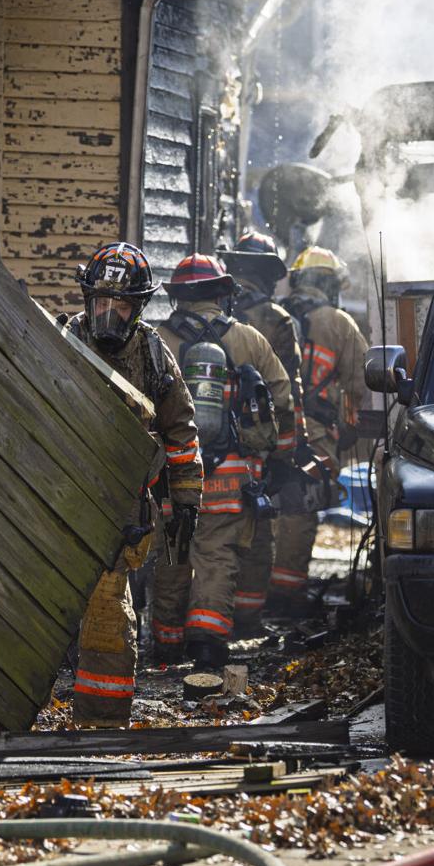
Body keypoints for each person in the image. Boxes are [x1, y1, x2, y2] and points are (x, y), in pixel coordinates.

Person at [61, 242, 202, 725]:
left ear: (138, 306)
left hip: (119, 512)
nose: (108, 313)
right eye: (101, 301)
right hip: (57, 495)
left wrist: (186, 501)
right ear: (87, 299)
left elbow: (181, 434)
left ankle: (100, 723)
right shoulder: (63, 342)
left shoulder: (155, 358)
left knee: (105, 618)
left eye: (120, 305)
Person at [156, 254, 294, 668]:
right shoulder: (249, 339)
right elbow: (283, 398)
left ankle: (165, 649)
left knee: (172, 557)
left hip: (171, 474)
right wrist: (280, 456)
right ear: (222, 293)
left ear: (178, 296)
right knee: (217, 560)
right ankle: (206, 649)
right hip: (230, 478)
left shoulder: (157, 339)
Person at [218, 232, 308, 635]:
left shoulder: (211, 314)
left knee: (209, 534)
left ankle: (200, 618)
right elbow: (287, 391)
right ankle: (247, 619)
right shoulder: (275, 319)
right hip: (257, 443)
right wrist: (286, 454)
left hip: (210, 441)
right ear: (270, 274)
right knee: (256, 530)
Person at [272, 245, 368, 615]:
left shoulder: (272, 314)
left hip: (270, 429)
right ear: (330, 285)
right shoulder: (338, 322)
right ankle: (285, 596)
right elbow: (358, 383)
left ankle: (255, 591)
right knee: (300, 510)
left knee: (270, 511)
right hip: (314, 433)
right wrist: (348, 426)